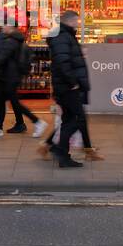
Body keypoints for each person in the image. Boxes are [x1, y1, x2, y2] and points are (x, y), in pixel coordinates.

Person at [0, 26, 45, 137]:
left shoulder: (11, 41)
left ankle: (37, 121)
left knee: (14, 102)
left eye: (5, 25)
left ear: (11, 27)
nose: (3, 27)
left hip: (10, 76)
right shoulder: (14, 39)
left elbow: (3, 57)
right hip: (6, 75)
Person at [48, 10, 90, 168]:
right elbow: (62, 61)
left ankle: (61, 154)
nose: (78, 24)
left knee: (69, 119)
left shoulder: (65, 35)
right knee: (77, 119)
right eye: (76, 22)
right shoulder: (63, 37)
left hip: (65, 85)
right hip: (67, 86)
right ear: (69, 21)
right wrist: (73, 82)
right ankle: (60, 151)